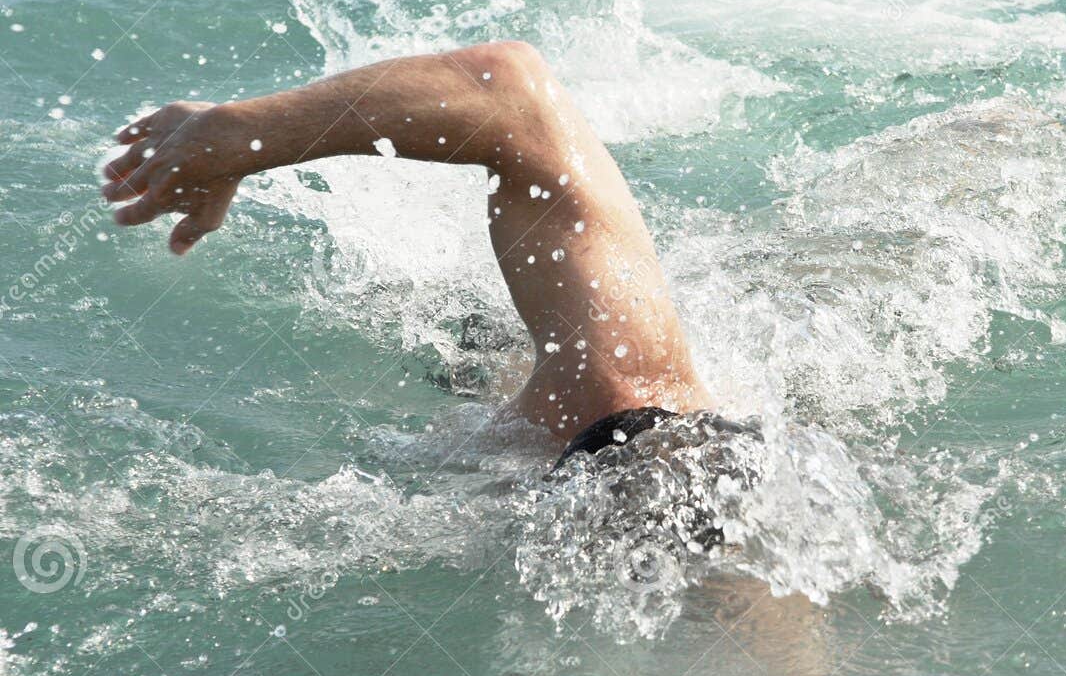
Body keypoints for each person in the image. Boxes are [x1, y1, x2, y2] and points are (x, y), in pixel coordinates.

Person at [102, 40, 714, 458]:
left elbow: (507, 93)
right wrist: (244, 137)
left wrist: (250, 139)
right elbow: (506, 87)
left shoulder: (596, 409)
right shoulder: (621, 403)